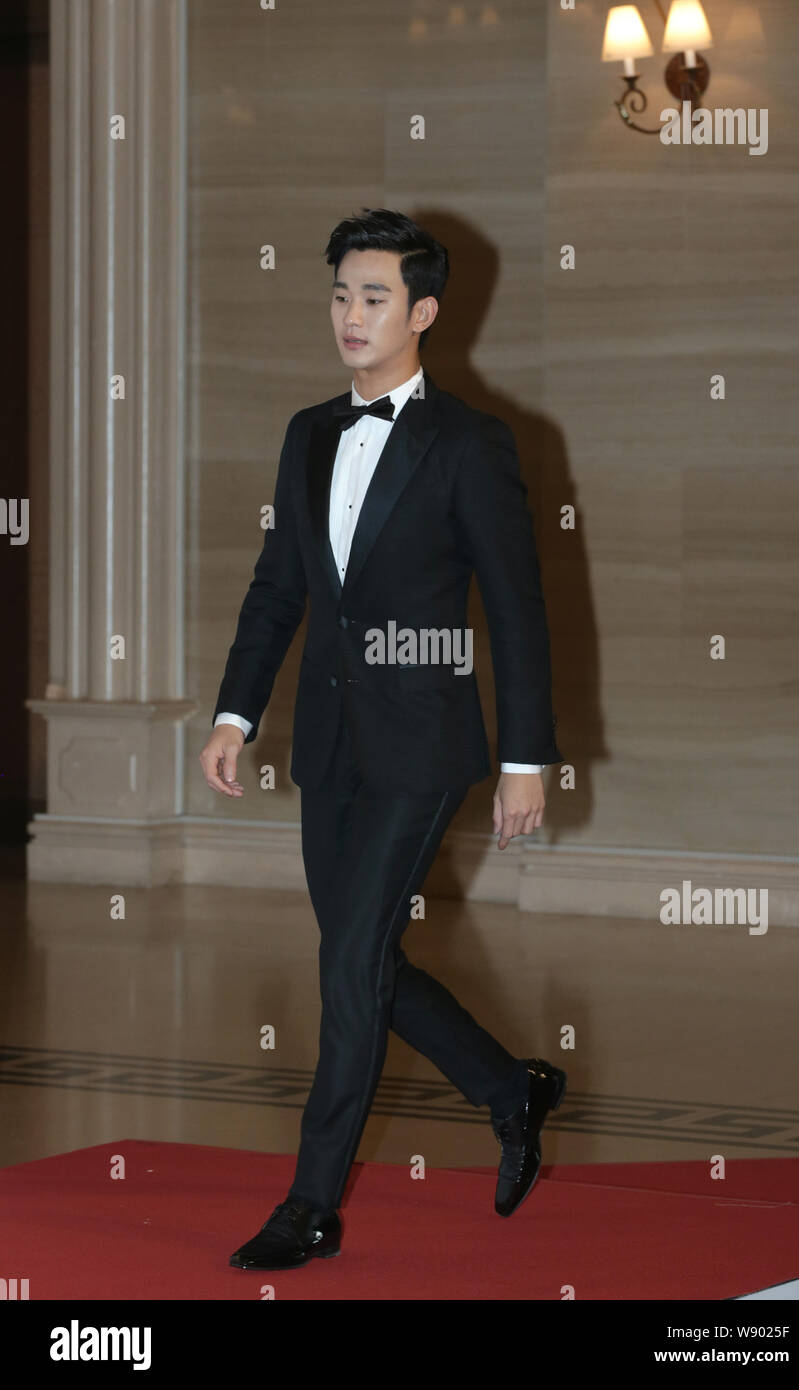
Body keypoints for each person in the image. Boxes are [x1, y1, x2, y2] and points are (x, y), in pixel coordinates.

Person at [199, 208, 567, 1272]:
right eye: (339, 294)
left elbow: (516, 608)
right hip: (329, 745)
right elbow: (278, 590)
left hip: (421, 745)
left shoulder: (471, 443)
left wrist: (524, 757)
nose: (351, 316)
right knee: (358, 959)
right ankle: (510, 1087)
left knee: (347, 962)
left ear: (423, 312)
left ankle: (310, 1203)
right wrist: (235, 711)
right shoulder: (308, 433)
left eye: (373, 297)